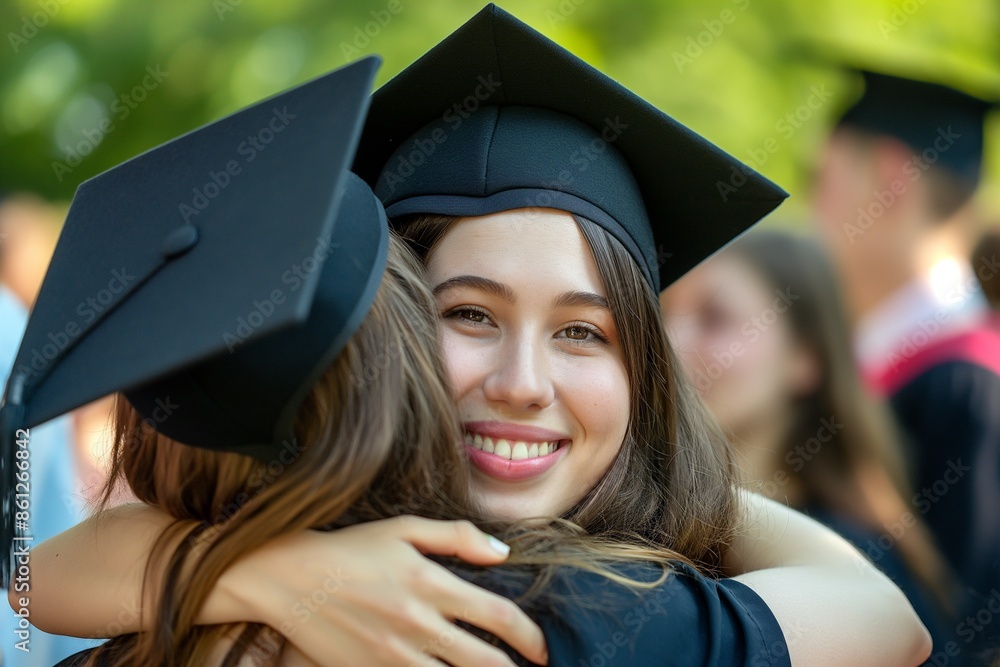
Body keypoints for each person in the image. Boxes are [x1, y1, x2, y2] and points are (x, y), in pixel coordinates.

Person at [21, 7, 930, 666]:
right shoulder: (583, 613)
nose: (524, 381)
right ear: (386, 329)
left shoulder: (147, 623)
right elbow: (884, 619)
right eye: (471, 315)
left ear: (641, 372)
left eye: (582, 331)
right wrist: (672, 472)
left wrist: (255, 568)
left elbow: (33, 576)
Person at [661, 229, 961, 662]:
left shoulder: (858, 566)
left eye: (715, 318)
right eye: (665, 314)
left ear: (806, 357)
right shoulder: (633, 525)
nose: (671, 342)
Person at [812, 68, 1000, 663]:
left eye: (819, 177)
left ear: (893, 181)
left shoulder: (968, 385)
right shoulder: (891, 366)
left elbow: (967, 637)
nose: (808, 204)